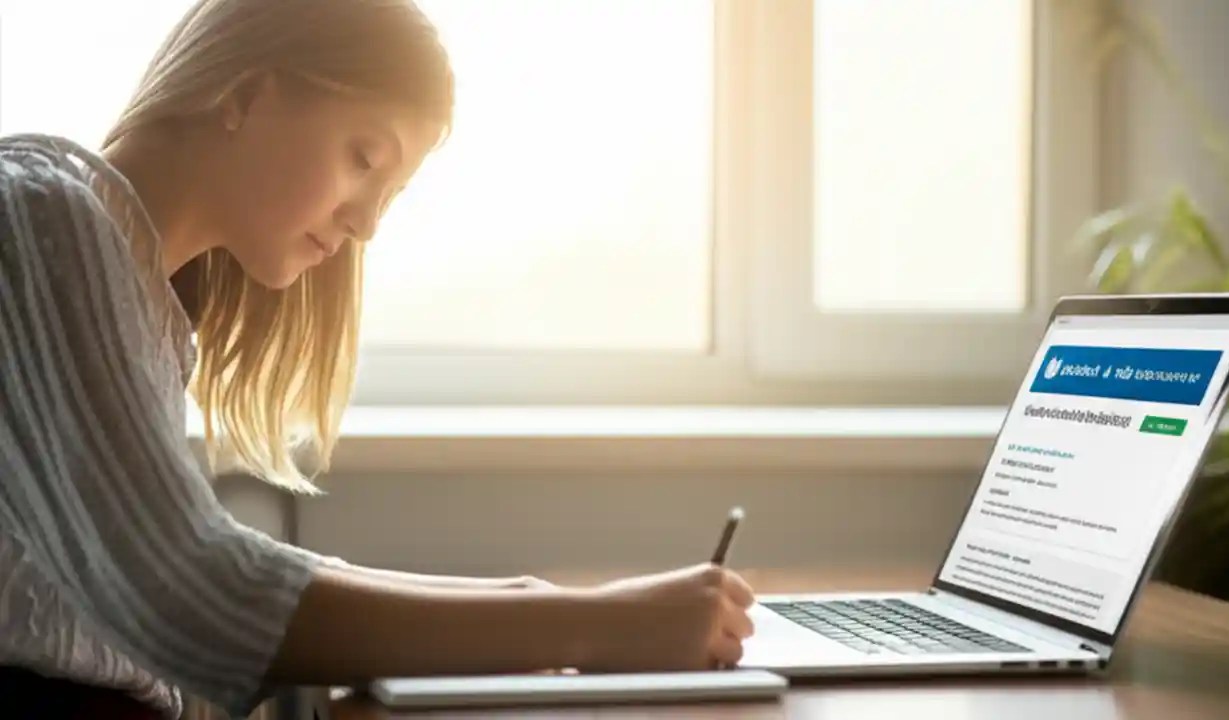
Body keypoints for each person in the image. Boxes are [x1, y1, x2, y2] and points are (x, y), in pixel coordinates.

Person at [0, 1, 755, 717]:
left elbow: (197, 570)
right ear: (243, 95)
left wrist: (550, 601)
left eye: (389, 193)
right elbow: (192, 591)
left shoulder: (140, 296)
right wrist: (591, 624)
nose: (365, 224)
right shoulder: (42, 215)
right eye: (364, 158)